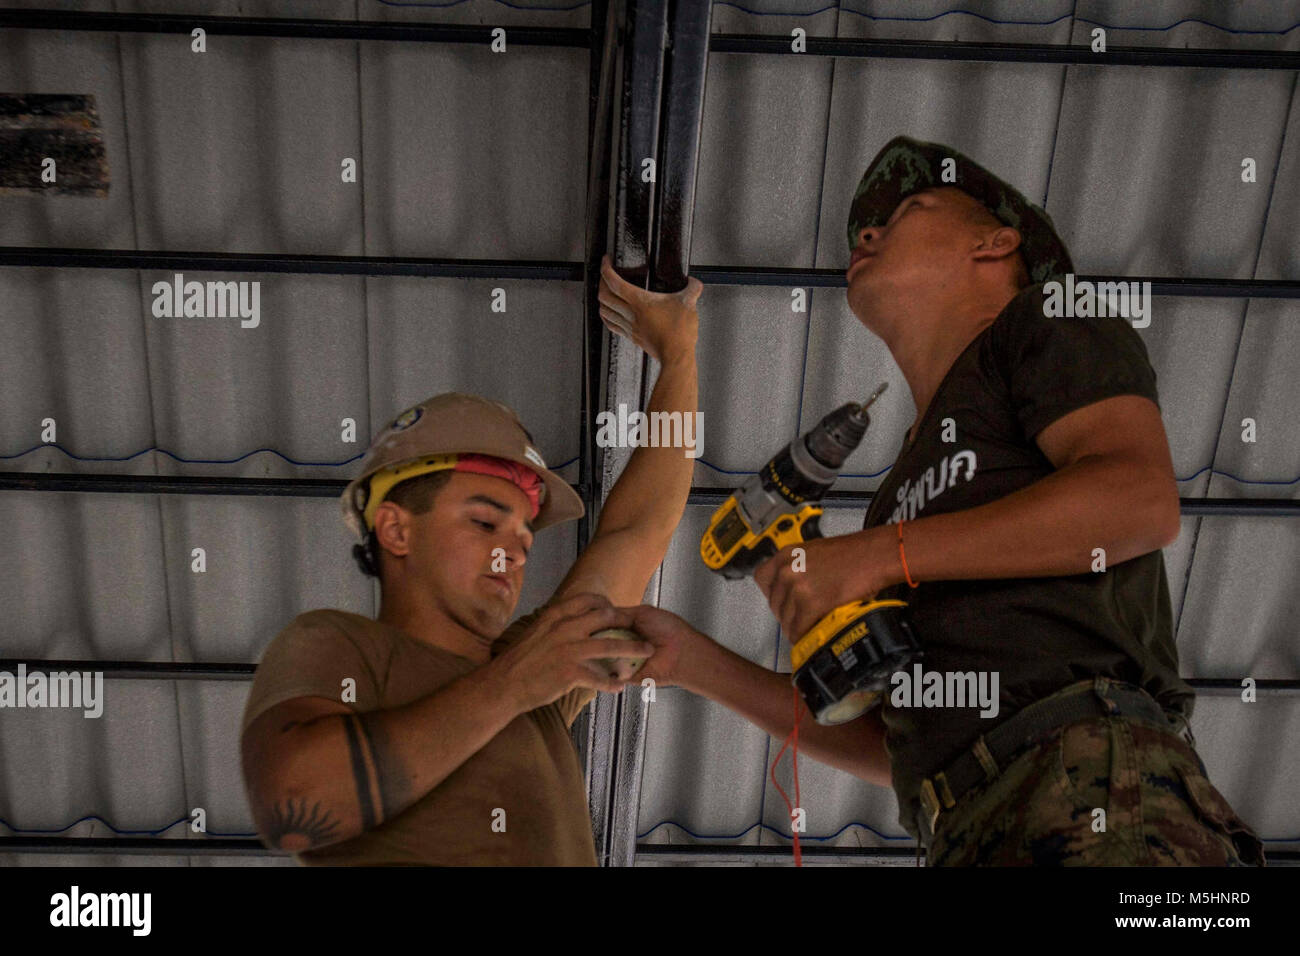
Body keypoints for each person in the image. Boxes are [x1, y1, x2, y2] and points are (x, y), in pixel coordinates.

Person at [630, 136, 1265, 867]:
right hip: (963, 824)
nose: (865, 234)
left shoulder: (1048, 322)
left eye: (910, 210)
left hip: (1098, 781)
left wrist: (875, 558)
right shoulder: (899, 493)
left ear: (996, 244)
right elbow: (893, 739)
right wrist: (692, 661)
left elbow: (1137, 501)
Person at [239, 255, 702, 865]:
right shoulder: (337, 644)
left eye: (526, 536)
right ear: (396, 529)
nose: (515, 548)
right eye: (484, 521)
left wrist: (679, 356)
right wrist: (515, 686)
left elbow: (639, 527)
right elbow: (291, 803)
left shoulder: (535, 672)